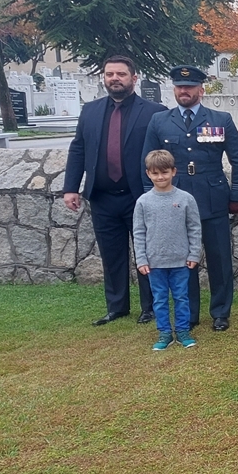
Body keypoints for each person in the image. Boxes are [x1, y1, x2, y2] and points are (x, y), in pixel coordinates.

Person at [63, 55, 167, 326]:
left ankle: (151, 308)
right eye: (110, 74)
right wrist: (70, 188)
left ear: (134, 78)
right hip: (103, 197)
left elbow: (165, 154)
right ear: (104, 78)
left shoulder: (154, 111)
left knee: (147, 253)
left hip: (140, 197)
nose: (115, 79)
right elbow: (78, 149)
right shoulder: (91, 111)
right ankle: (117, 306)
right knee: (112, 255)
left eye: (121, 74)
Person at [142, 65, 238, 332]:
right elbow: (148, 162)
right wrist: (150, 198)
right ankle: (189, 313)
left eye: (189, 87)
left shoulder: (221, 119)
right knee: (183, 260)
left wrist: (237, 195)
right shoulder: (160, 121)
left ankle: (221, 312)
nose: (184, 91)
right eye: (179, 87)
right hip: (173, 201)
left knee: (219, 258)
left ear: (201, 90)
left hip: (212, 197)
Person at [133, 150, 202, 350]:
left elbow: (194, 228)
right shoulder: (143, 202)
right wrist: (142, 260)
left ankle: (182, 331)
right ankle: (164, 333)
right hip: (155, 263)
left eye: (164, 172)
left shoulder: (186, 198)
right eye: (155, 173)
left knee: (181, 297)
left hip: (181, 261)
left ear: (174, 171)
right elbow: (138, 233)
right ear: (148, 174)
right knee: (160, 299)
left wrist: (193, 253)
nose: (160, 177)